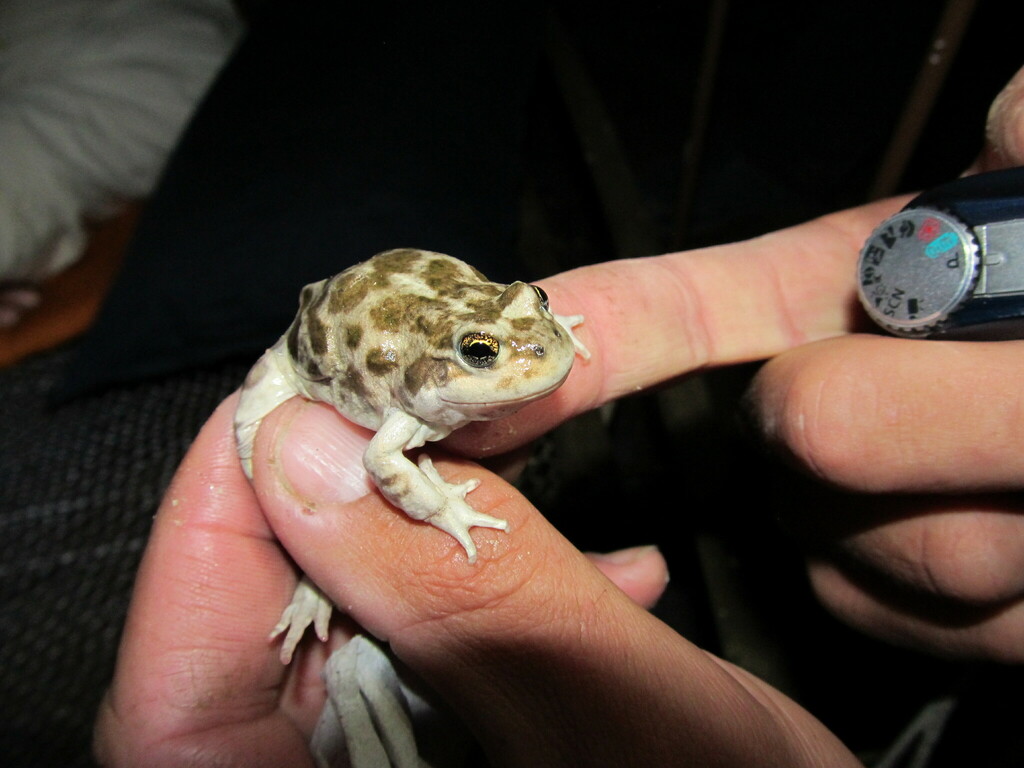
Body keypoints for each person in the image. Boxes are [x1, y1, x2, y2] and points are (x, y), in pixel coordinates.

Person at [92, 60, 1024, 768]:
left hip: (438, 301)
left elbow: (503, 311)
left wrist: (527, 321)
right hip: (317, 350)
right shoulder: (404, 413)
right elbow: (382, 467)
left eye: (535, 322)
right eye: (493, 360)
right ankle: (310, 569)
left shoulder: (503, 326)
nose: (536, 357)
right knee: (260, 436)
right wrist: (444, 511)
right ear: (442, 374)